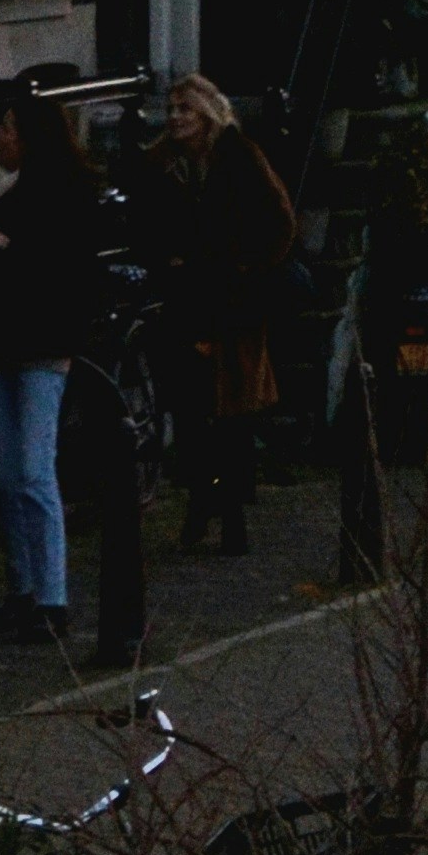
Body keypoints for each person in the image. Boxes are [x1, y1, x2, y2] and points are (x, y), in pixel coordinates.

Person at [0, 92, 104, 637]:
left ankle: (53, 599)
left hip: (42, 342)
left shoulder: (64, 195)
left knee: (35, 469)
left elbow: (61, 271)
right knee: (4, 472)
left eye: (10, 128)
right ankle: (22, 590)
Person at [137, 70, 294, 557]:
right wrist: (165, 259)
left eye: (185, 110)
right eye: (171, 111)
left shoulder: (239, 157)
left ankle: (229, 514)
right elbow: (146, 220)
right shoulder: (163, 164)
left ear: (206, 113)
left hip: (233, 302)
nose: (176, 119)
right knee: (191, 409)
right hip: (186, 301)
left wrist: (244, 267)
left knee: (230, 411)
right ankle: (202, 502)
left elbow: (279, 221)